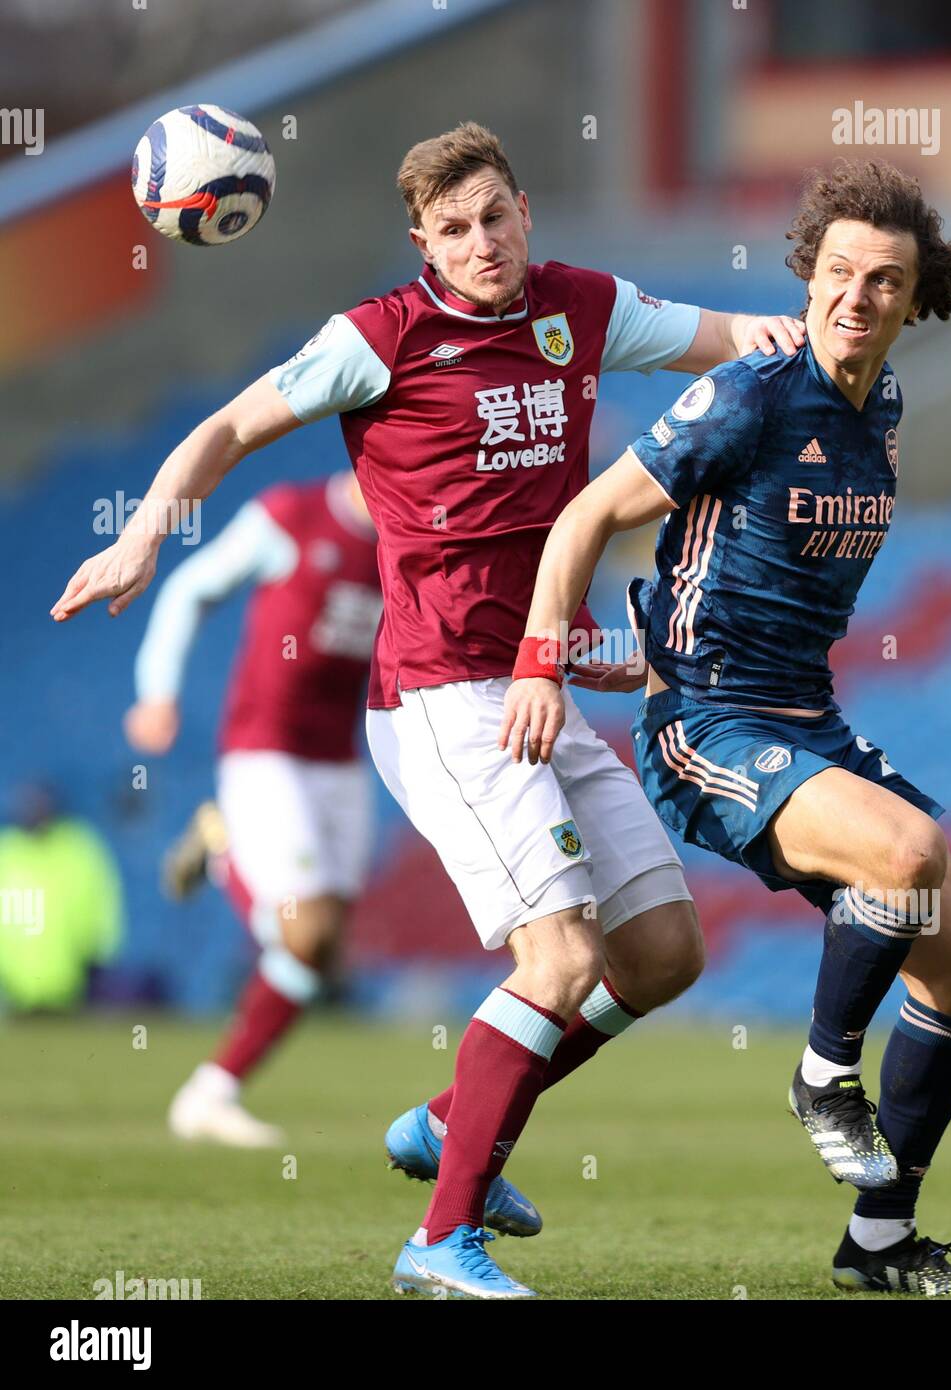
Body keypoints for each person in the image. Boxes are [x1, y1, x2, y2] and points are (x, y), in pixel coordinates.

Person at [51, 120, 805, 1299]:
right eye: (454, 229)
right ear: (423, 244)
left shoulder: (582, 307)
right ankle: (441, 1239)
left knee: (661, 952)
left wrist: (801, 332)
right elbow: (228, 429)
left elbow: (725, 335)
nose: (482, 242)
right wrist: (147, 531)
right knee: (556, 957)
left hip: (541, 681)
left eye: (496, 214)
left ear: (524, 212)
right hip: (445, 697)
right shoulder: (377, 339)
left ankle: (452, 1125)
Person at [503, 160, 951, 1298]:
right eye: (838, 272)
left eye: (885, 279)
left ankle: (878, 1243)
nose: (857, 296)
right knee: (907, 855)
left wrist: (661, 613)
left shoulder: (881, 402)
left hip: (804, 718)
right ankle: (825, 1076)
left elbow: (736, 553)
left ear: (917, 296)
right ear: (808, 273)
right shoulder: (753, 388)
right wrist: (550, 657)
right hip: (705, 723)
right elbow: (588, 514)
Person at [125, 470, 383, 1147]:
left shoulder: (412, 538)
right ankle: (221, 852)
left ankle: (211, 1093)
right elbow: (191, 587)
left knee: (320, 953)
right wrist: (157, 691)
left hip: (341, 759)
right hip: (265, 751)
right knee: (302, 932)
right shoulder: (289, 516)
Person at [0, 781, 124, 1012]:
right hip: (15, 989)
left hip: (73, 986)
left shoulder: (77, 847)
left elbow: (102, 906)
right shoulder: (7, 851)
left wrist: (100, 956)